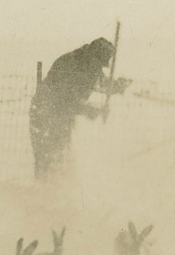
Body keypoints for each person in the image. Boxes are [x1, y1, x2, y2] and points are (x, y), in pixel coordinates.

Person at [28, 37, 125, 181]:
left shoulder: (92, 66)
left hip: (62, 118)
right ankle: (43, 193)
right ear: (92, 55)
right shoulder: (69, 64)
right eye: (98, 63)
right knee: (47, 157)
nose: (99, 68)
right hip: (44, 115)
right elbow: (66, 99)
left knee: (63, 158)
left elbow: (101, 83)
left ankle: (56, 193)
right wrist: (91, 110)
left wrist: (118, 86)